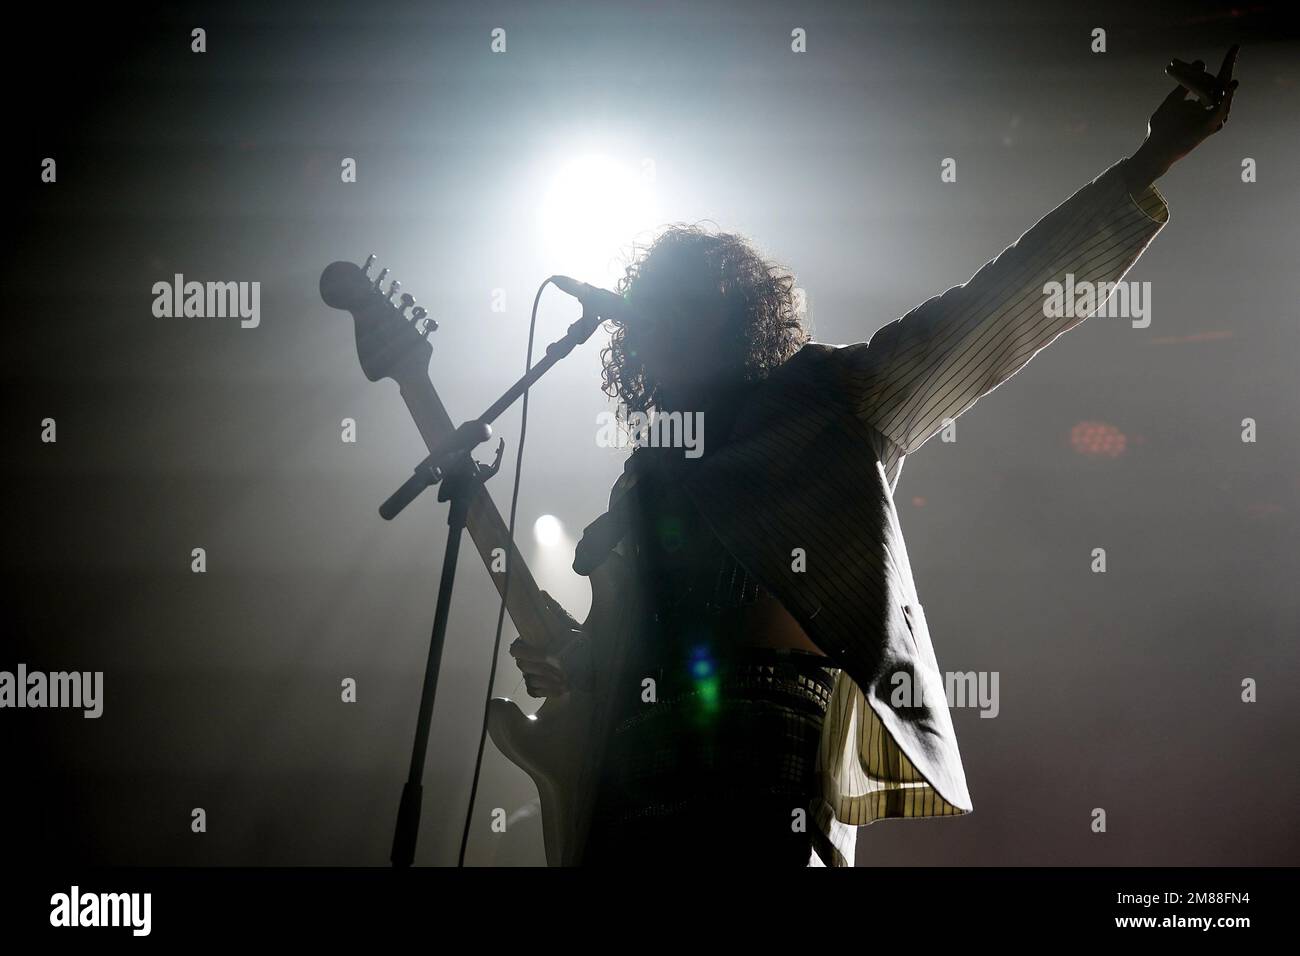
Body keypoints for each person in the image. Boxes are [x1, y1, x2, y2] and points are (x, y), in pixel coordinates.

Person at [510, 49, 1239, 866]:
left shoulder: (829, 394)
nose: (651, 330)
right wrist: (572, 658)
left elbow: (997, 308)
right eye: (648, 320)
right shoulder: (646, 471)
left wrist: (1148, 162)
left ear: (730, 315)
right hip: (633, 777)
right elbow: (629, 639)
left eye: (675, 309)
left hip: (766, 745)